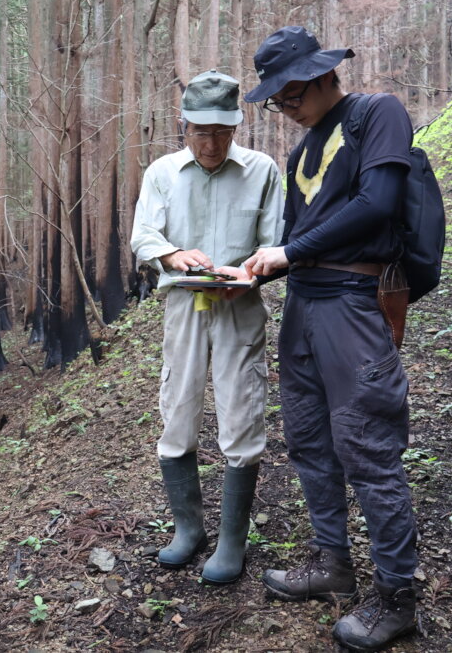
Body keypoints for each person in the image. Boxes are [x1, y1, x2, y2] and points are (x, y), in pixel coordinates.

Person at [242, 26, 418, 651]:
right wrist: (259, 268)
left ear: (320, 74)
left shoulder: (377, 114)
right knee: (310, 441)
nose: (285, 109)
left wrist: (288, 252)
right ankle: (331, 561)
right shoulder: (301, 152)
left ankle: (398, 595)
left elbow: (377, 203)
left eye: (289, 94)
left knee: (368, 448)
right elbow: (300, 230)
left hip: (353, 305)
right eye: (276, 101)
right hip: (304, 305)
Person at [130, 70, 283, 585]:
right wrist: (173, 254)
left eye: (221, 131)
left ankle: (232, 542)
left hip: (240, 306)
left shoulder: (262, 170)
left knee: (241, 411)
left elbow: (275, 243)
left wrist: (247, 271)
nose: (211, 142)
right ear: (185, 125)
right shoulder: (163, 173)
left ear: (237, 127)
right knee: (178, 410)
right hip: (184, 307)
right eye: (201, 131)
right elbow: (142, 235)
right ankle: (187, 529)